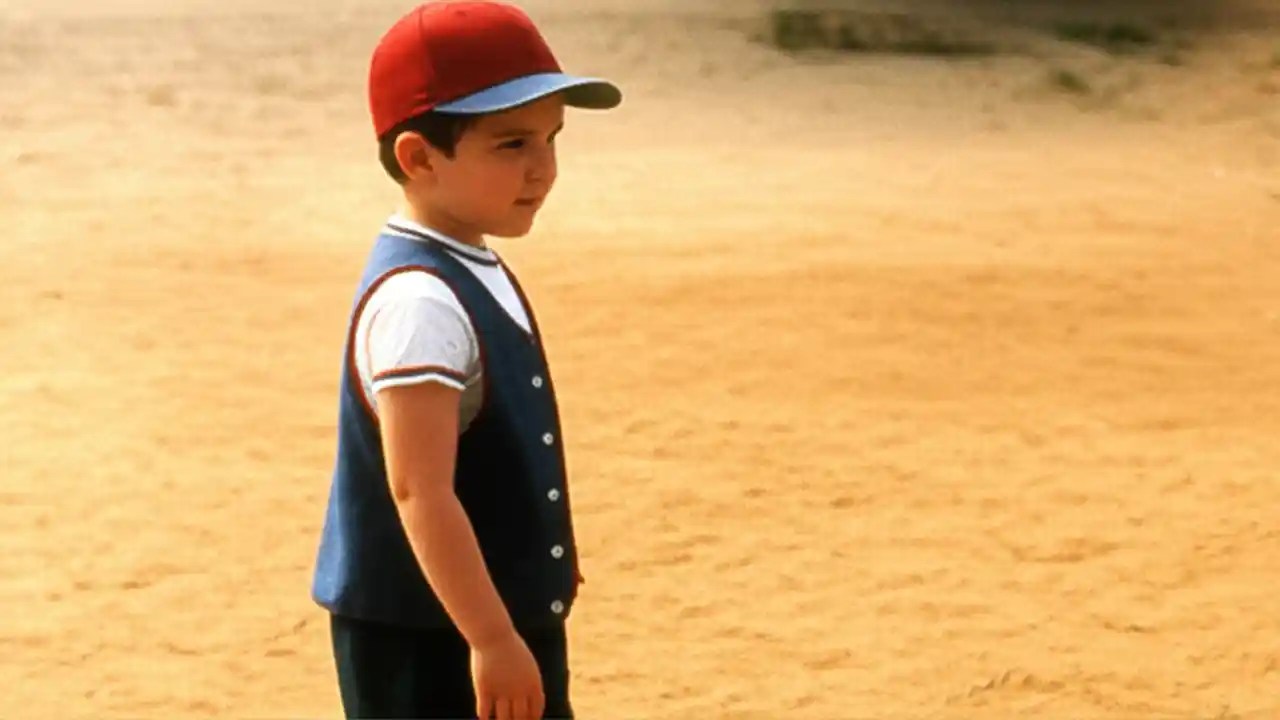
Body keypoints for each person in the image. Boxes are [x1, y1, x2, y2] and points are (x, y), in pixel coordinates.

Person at [310, 2, 622, 718]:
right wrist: (489, 637)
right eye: (511, 144)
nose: (543, 168)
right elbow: (420, 490)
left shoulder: (473, 261)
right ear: (419, 157)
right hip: (433, 639)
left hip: (494, 616)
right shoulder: (420, 301)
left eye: (552, 139)